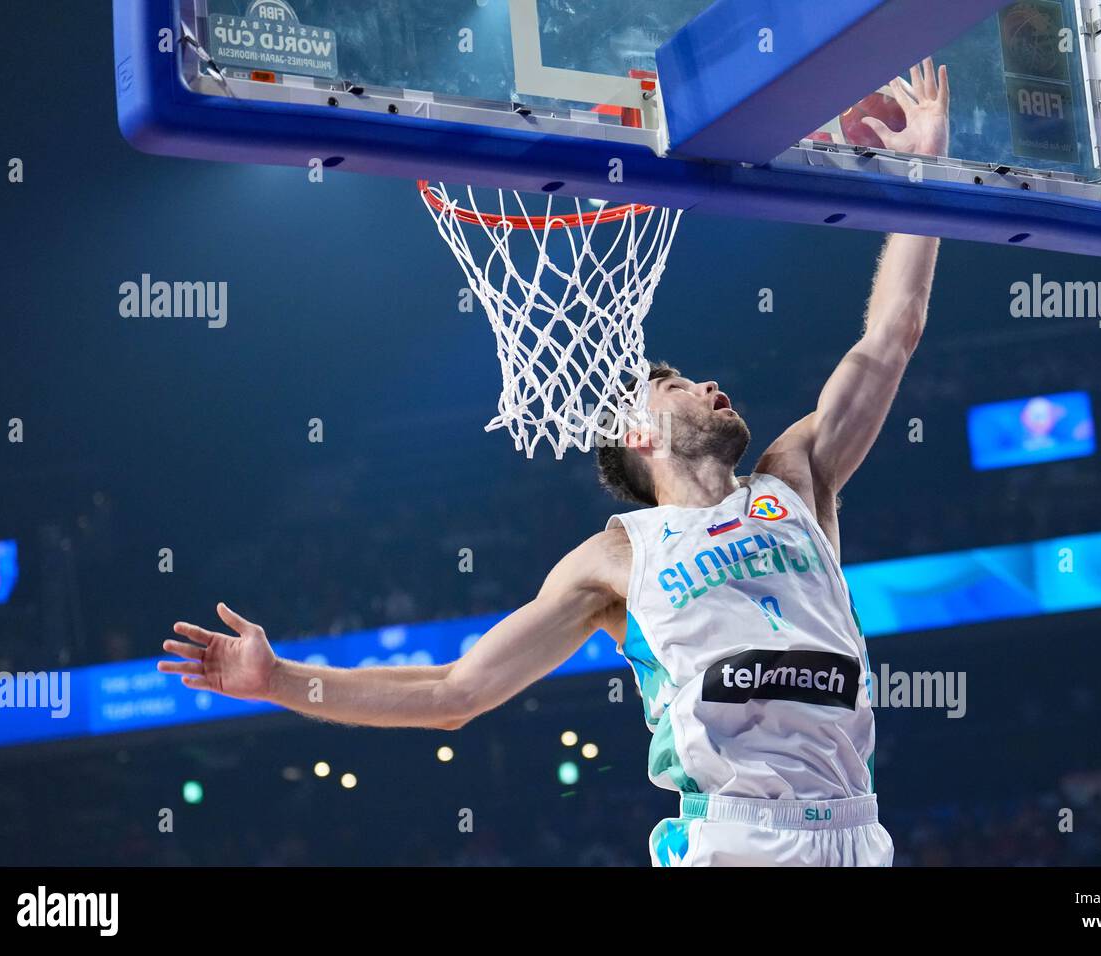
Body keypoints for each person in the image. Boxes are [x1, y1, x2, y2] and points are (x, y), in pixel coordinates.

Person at [160, 60, 950, 867]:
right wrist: (281, 679)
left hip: (859, 832)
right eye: (678, 384)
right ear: (637, 434)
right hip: (736, 840)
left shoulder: (796, 476)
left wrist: (923, 169)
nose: (712, 385)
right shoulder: (618, 557)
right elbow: (454, 694)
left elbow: (892, 335)